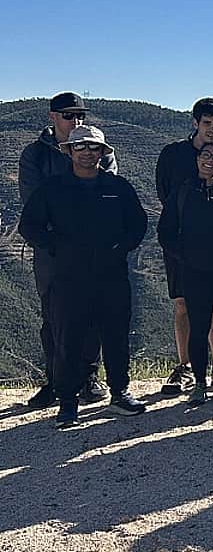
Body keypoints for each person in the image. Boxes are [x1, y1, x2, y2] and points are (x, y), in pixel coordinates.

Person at [18, 126, 148, 428]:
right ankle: (67, 403)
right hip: (68, 278)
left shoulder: (119, 187)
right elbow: (30, 225)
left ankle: (119, 393)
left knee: (116, 338)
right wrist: (55, 248)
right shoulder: (53, 189)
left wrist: (121, 249)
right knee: (68, 340)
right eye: (80, 147)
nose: (87, 152)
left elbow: (138, 224)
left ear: (103, 152)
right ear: (69, 152)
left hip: (112, 277)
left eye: (93, 147)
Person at [17, 91, 117, 408]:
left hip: (93, 251)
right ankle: (56, 381)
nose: (75, 121)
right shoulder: (34, 155)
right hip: (53, 252)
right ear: (52, 117)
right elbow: (33, 204)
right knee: (53, 316)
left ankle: (88, 378)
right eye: (68, 115)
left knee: (93, 314)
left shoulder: (103, 152)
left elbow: (107, 196)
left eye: (80, 116)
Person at [155, 97, 213, 396]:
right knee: (183, 306)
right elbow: (164, 195)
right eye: (207, 123)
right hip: (183, 248)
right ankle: (185, 367)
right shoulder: (173, 155)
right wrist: (183, 246)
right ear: (195, 123)